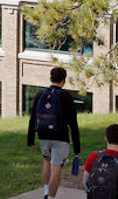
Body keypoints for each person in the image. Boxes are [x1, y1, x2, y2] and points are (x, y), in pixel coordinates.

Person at [27, 67, 81, 199]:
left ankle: (46, 191)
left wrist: (31, 140)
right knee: (56, 167)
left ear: (50, 78)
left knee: (47, 161)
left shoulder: (41, 94)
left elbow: (33, 117)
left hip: (43, 134)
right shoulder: (66, 96)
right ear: (63, 81)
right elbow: (73, 123)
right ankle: (51, 197)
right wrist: (77, 146)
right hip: (60, 136)